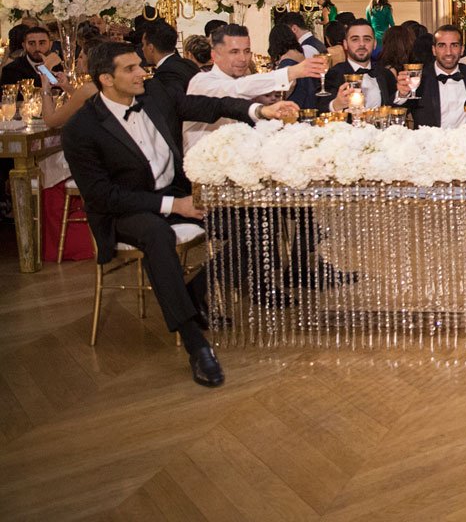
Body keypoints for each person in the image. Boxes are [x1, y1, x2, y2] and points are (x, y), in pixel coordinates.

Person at [62, 42, 298, 387]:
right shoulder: (82, 128)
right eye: (130, 69)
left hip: (173, 194)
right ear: (106, 79)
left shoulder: (154, 95)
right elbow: (103, 196)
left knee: (250, 216)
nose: (142, 72)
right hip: (124, 210)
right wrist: (176, 207)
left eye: (140, 65)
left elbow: (211, 105)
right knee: (157, 235)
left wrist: (261, 112)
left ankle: (194, 289)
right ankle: (196, 344)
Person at [184, 24, 325, 149]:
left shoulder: (246, 83)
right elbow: (235, 89)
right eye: (234, 52)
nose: (243, 58)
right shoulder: (202, 82)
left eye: (246, 51)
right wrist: (291, 72)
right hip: (202, 170)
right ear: (214, 55)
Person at [409, 25, 466, 129]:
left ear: (462, 50)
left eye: (454, 45)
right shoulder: (419, 79)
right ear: (434, 50)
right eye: (442, 45)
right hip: (430, 143)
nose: (448, 52)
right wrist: (402, 94)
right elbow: (397, 109)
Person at [320, 19, 396, 111]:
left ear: (374, 44)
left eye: (367, 39)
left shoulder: (386, 74)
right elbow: (320, 106)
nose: (362, 44)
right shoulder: (332, 75)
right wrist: (336, 105)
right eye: (355, 39)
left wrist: (402, 95)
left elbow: (396, 107)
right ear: (345, 44)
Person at [269, 24, 324, 111]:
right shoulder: (300, 54)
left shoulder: (286, 60)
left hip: (296, 102)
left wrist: (280, 99)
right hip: (311, 99)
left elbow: (292, 83)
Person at [139, 22, 198, 99]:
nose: (142, 49)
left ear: (151, 48)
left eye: (143, 44)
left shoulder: (166, 73)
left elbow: (172, 104)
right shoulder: (189, 64)